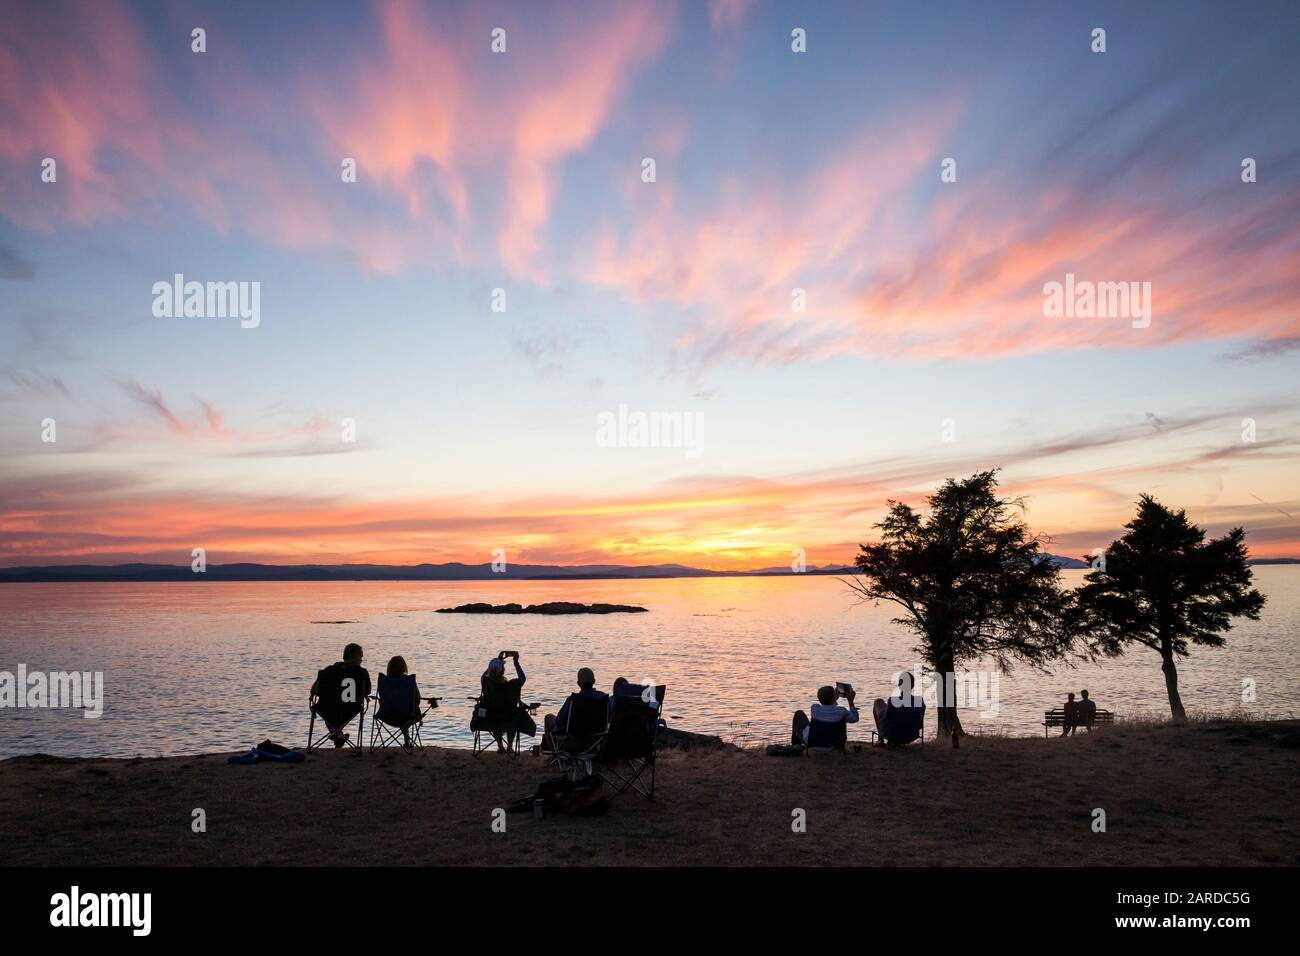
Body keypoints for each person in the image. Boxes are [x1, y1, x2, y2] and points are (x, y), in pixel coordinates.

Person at [310, 643, 371, 747]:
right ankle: (338, 735)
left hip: (327, 709)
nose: (361, 661)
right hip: (350, 709)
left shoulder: (327, 671)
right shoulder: (361, 673)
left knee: (327, 710)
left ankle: (337, 735)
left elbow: (314, 690)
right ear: (356, 657)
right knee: (337, 711)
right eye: (361, 658)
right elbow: (368, 691)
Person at [478, 651, 533, 751]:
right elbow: (522, 678)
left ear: (489, 669)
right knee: (514, 716)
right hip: (508, 718)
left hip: (490, 718)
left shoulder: (485, 683)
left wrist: (499, 659)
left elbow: (483, 676)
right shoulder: (511, 686)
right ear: (503, 671)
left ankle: (500, 746)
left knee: (495, 715)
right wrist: (516, 662)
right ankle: (510, 746)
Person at [543, 667, 608, 748]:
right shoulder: (603, 698)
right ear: (594, 681)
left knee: (548, 718)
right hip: (596, 741)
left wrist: (555, 729)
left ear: (578, 683)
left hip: (575, 743)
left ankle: (556, 754)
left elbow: (560, 722)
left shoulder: (572, 700)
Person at [376, 655, 423, 748]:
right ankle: (407, 742)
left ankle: (407, 740)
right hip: (407, 716)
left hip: (386, 715)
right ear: (404, 668)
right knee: (405, 711)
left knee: (399, 708)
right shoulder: (408, 681)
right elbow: (417, 700)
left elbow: (381, 699)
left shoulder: (385, 681)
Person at [791, 684, 859, 747]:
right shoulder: (841, 711)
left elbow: (827, 705)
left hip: (814, 743)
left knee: (799, 714)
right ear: (834, 697)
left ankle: (795, 746)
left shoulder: (815, 709)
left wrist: (834, 698)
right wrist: (850, 701)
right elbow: (854, 718)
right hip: (835, 744)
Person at [872, 672, 926, 747]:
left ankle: (880, 739)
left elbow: (885, 719)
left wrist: (884, 710)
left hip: (892, 735)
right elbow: (920, 725)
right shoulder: (920, 701)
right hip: (912, 735)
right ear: (913, 686)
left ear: (899, 684)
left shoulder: (893, 701)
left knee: (878, 702)